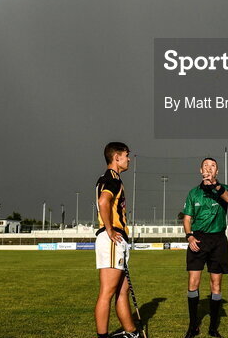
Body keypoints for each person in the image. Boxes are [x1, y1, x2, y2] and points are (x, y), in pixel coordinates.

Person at [182, 157, 228, 338]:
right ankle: (193, 326)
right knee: (193, 283)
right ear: (200, 170)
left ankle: (213, 328)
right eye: (206, 165)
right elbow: (187, 218)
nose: (209, 168)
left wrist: (215, 185)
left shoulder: (224, 188)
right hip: (198, 239)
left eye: (213, 166)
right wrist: (189, 236)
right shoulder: (193, 193)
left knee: (216, 284)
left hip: (218, 240)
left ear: (217, 171)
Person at [94, 142, 141, 338]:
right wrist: (110, 229)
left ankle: (131, 332)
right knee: (107, 292)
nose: (129, 159)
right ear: (116, 157)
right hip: (112, 238)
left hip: (116, 239)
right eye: (126, 155)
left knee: (123, 290)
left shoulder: (110, 178)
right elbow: (103, 201)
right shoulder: (112, 179)